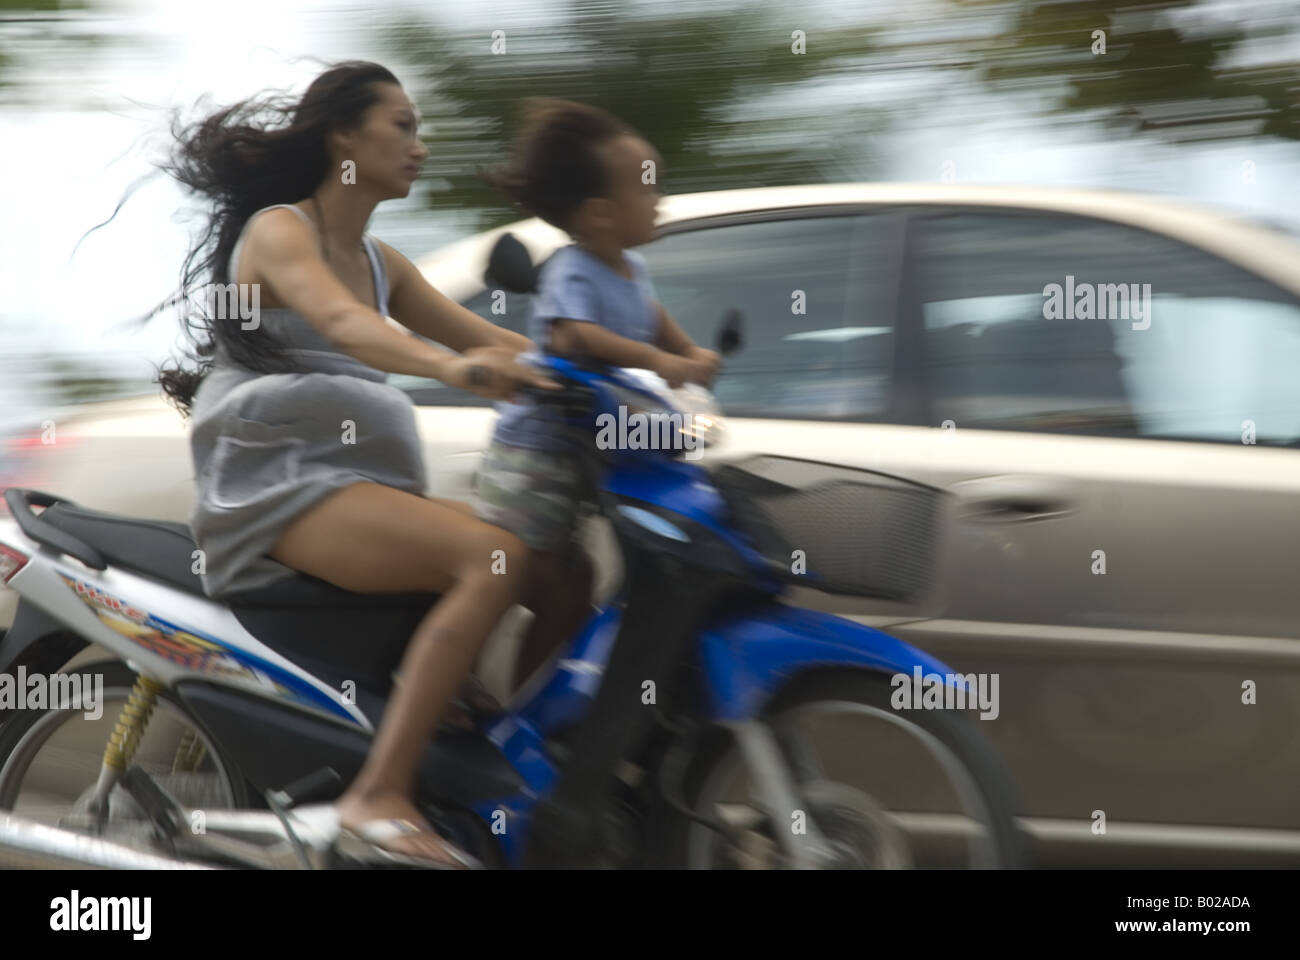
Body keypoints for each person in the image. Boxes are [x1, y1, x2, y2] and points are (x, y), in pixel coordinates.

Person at [148, 61, 572, 867]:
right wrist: (452, 371)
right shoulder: (282, 230)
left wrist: (624, 377)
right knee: (494, 556)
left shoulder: (385, 261)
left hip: (347, 480)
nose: (420, 144)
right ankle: (378, 795)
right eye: (402, 126)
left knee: (556, 570)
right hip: (274, 481)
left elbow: (494, 339)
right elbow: (344, 324)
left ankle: (499, 766)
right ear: (345, 135)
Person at [472, 99, 721, 599]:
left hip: (590, 444)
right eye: (648, 187)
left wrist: (691, 355)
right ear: (599, 214)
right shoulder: (572, 268)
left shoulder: (633, 267)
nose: (660, 199)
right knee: (529, 577)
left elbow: (651, 316)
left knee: (574, 585)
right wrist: (659, 361)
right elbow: (574, 334)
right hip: (537, 452)